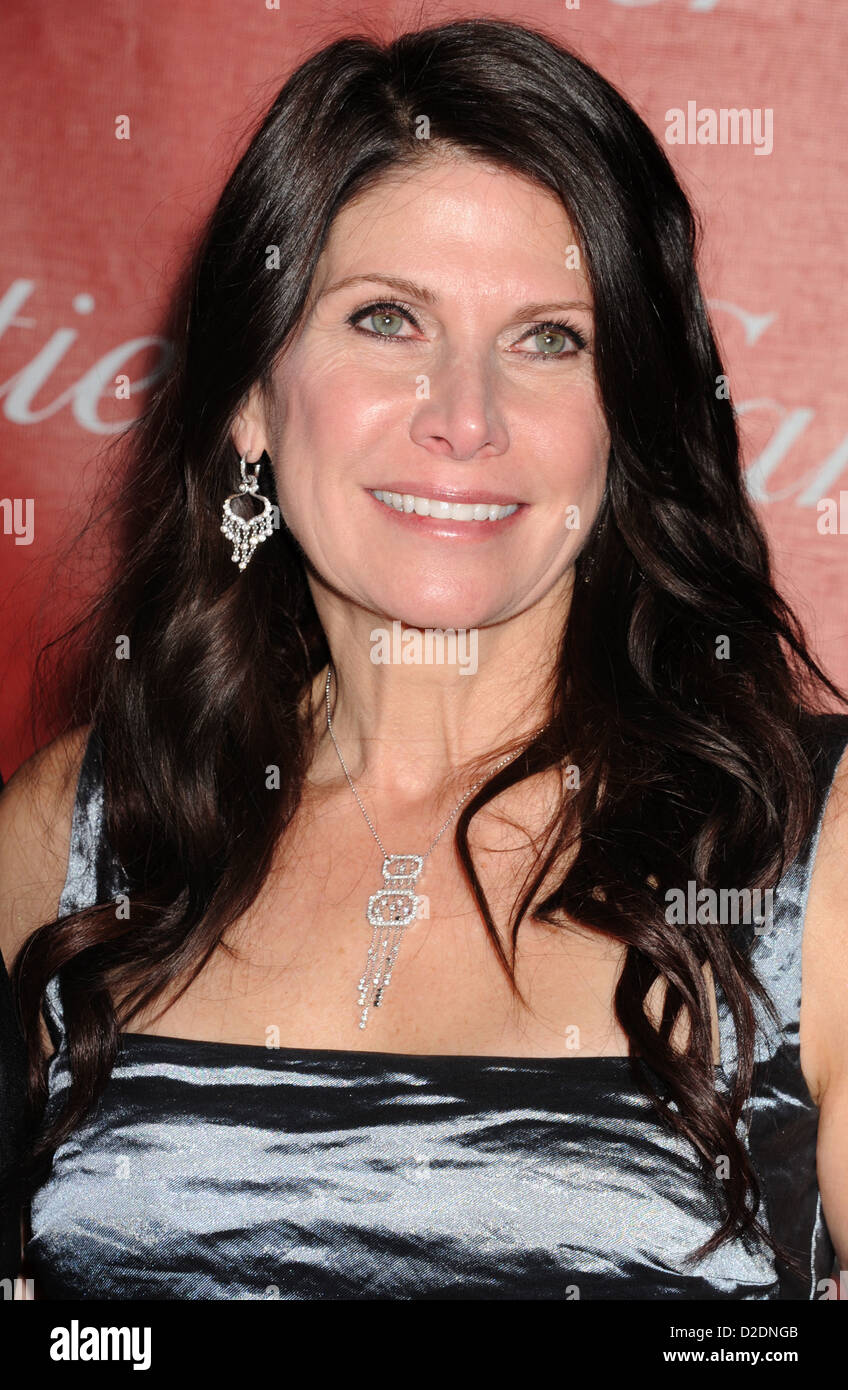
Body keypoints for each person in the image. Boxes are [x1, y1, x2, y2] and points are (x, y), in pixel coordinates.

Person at [1, 17, 846, 1301]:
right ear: (249, 394)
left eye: (548, 337)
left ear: (630, 413)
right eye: (386, 318)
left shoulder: (810, 858)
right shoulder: (75, 831)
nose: (464, 417)